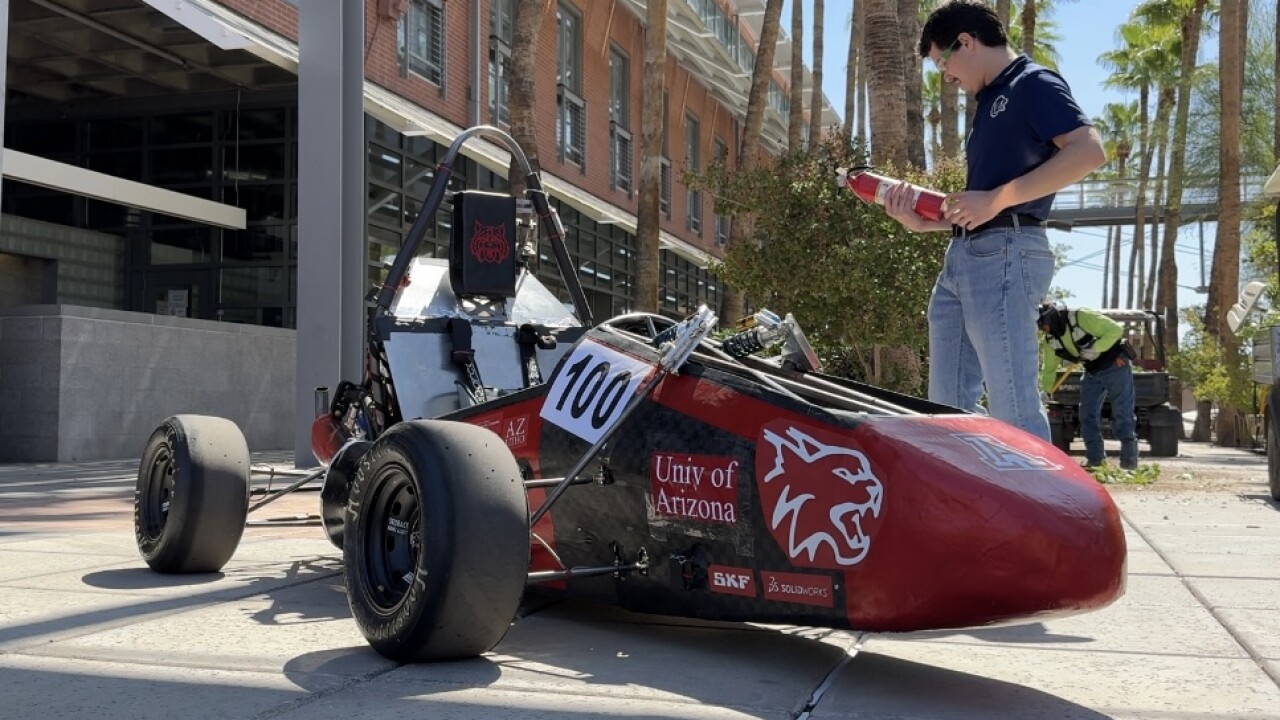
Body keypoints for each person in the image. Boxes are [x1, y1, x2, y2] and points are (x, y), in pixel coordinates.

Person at [882, 1, 1107, 442]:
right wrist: (926, 224)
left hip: (1006, 254)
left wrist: (998, 198)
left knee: (1014, 408)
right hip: (965, 256)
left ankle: (1041, 509)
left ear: (965, 42)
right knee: (946, 412)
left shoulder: (1032, 83)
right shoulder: (988, 101)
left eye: (943, 65)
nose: (948, 79)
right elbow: (983, 203)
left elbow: (1089, 150)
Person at [1037, 303, 1138, 469]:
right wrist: (1046, 390)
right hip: (1092, 371)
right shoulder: (1050, 340)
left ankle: (1129, 464)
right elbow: (1049, 368)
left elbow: (1115, 330)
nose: (1043, 330)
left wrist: (1096, 348)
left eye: (1043, 325)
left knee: (1123, 413)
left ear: (1051, 318)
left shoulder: (1081, 316)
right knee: (1087, 415)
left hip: (1115, 365)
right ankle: (1096, 461)